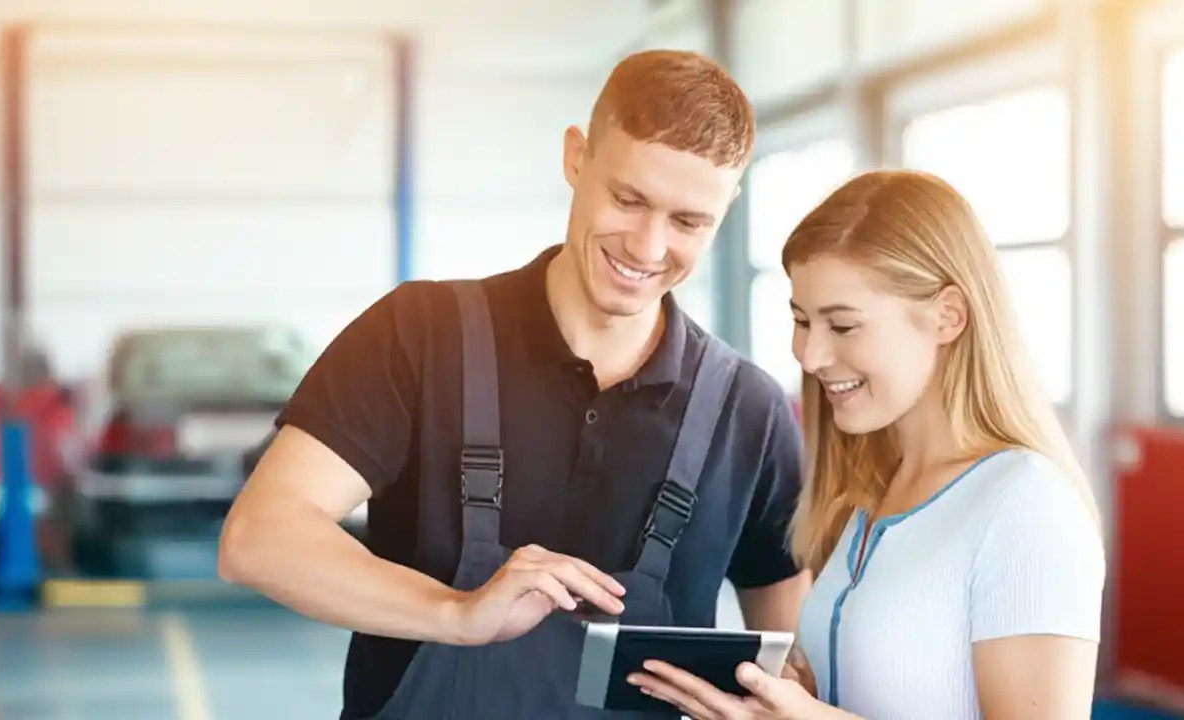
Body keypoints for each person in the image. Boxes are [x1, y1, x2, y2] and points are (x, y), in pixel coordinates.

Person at [218, 49, 810, 719]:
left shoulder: (749, 413)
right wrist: (457, 612)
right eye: (628, 200)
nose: (647, 248)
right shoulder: (417, 336)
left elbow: (795, 668)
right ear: (576, 158)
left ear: (727, 209)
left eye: (688, 222)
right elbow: (259, 538)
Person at [628, 169, 1107, 719]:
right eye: (802, 320)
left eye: (843, 326)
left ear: (948, 316)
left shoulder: (1026, 504)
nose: (811, 356)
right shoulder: (871, 491)